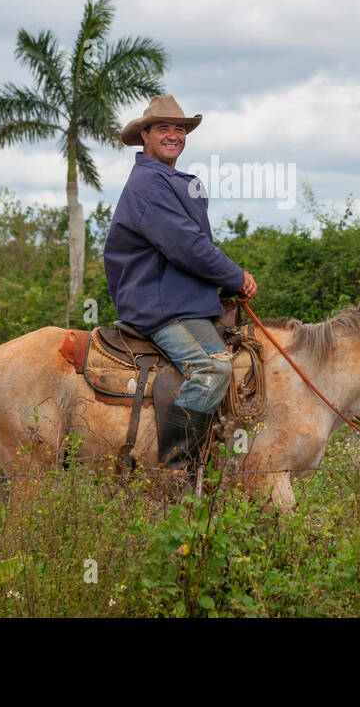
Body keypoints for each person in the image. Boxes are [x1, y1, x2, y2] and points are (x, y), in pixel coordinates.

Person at [103, 95, 258, 477]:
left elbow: (192, 245)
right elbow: (186, 246)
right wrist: (234, 277)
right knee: (213, 369)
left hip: (181, 300)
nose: (173, 135)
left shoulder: (166, 180)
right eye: (163, 129)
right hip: (161, 305)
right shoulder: (149, 185)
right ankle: (176, 469)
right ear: (145, 135)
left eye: (180, 129)